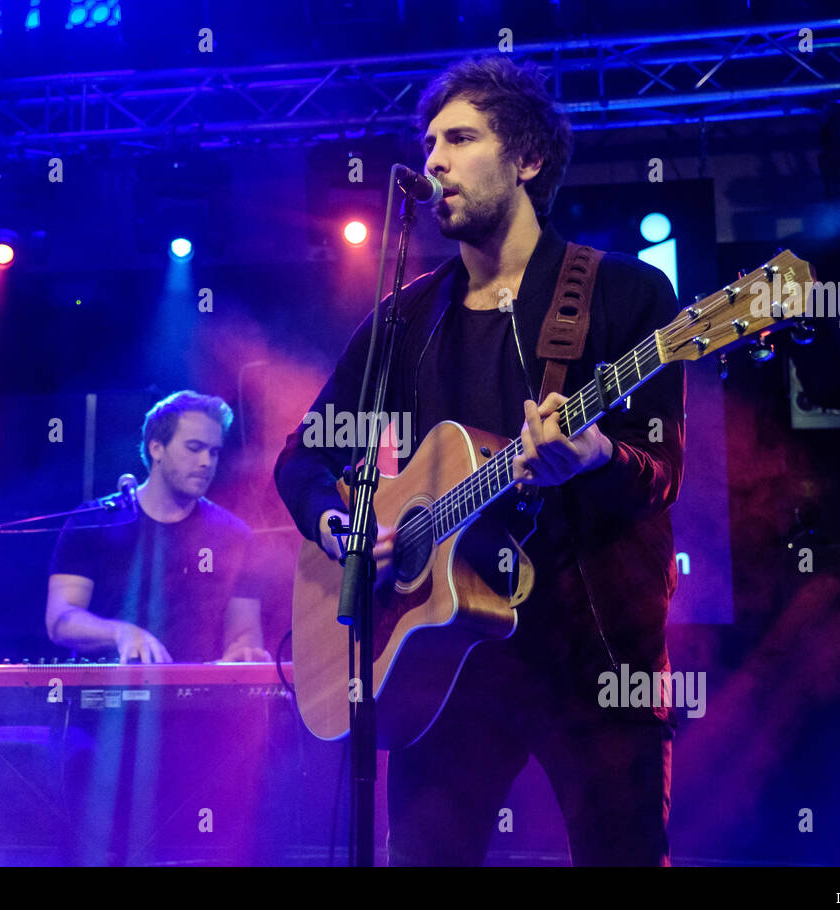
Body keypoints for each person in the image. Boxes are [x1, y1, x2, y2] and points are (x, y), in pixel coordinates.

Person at [273, 56, 685, 865]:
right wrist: (341, 532)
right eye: (428, 142)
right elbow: (304, 459)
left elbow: (664, 473)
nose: (433, 160)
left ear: (527, 158)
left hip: (593, 659)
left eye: (460, 138)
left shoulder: (624, 294)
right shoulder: (403, 317)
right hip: (441, 664)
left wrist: (597, 455)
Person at [47, 390, 270, 663]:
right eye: (194, 448)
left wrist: (243, 653)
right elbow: (60, 619)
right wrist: (120, 633)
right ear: (156, 449)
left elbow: (244, 633)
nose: (206, 462)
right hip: (108, 695)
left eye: (213, 452)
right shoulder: (92, 521)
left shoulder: (235, 535)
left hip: (201, 701)